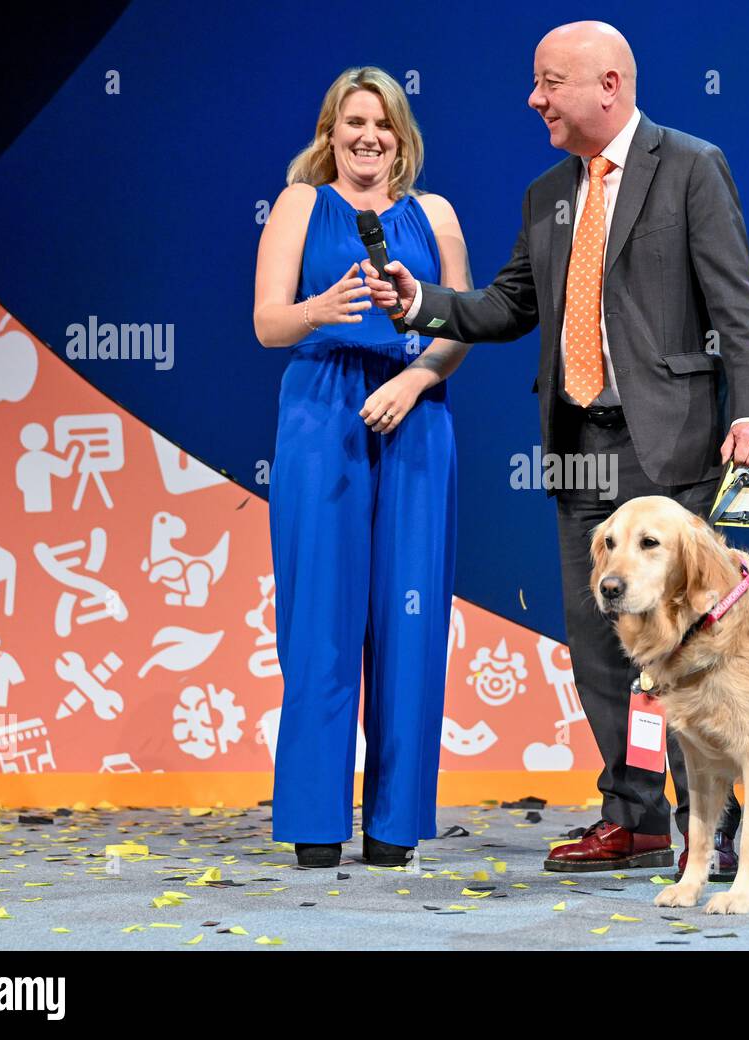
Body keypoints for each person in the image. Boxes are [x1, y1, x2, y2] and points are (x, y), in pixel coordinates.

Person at [364, 23, 749, 874]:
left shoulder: (691, 166)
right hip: (576, 448)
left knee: (695, 649)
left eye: (549, 82)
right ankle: (634, 818)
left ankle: (721, 820)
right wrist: (421, 307)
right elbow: (508, 306)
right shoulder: (548, 191)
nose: (535, 98)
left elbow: (737, 306)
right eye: (535, 82)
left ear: (610, 84)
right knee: (602, 647)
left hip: (669, 452)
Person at [253, 66, 473, 869]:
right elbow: (267, 321)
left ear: (400, 136)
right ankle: (315, 823)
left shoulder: (435, 213)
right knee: (322, 621)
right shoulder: (300, 204)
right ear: (330, 133)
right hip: (322, 412)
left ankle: (393, 827)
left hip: (417, 417)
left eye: (381, 124)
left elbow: (461, 322)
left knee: (409, 627)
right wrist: (320, 309)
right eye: (352, 123)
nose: (367, 137)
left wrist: (417, 379)